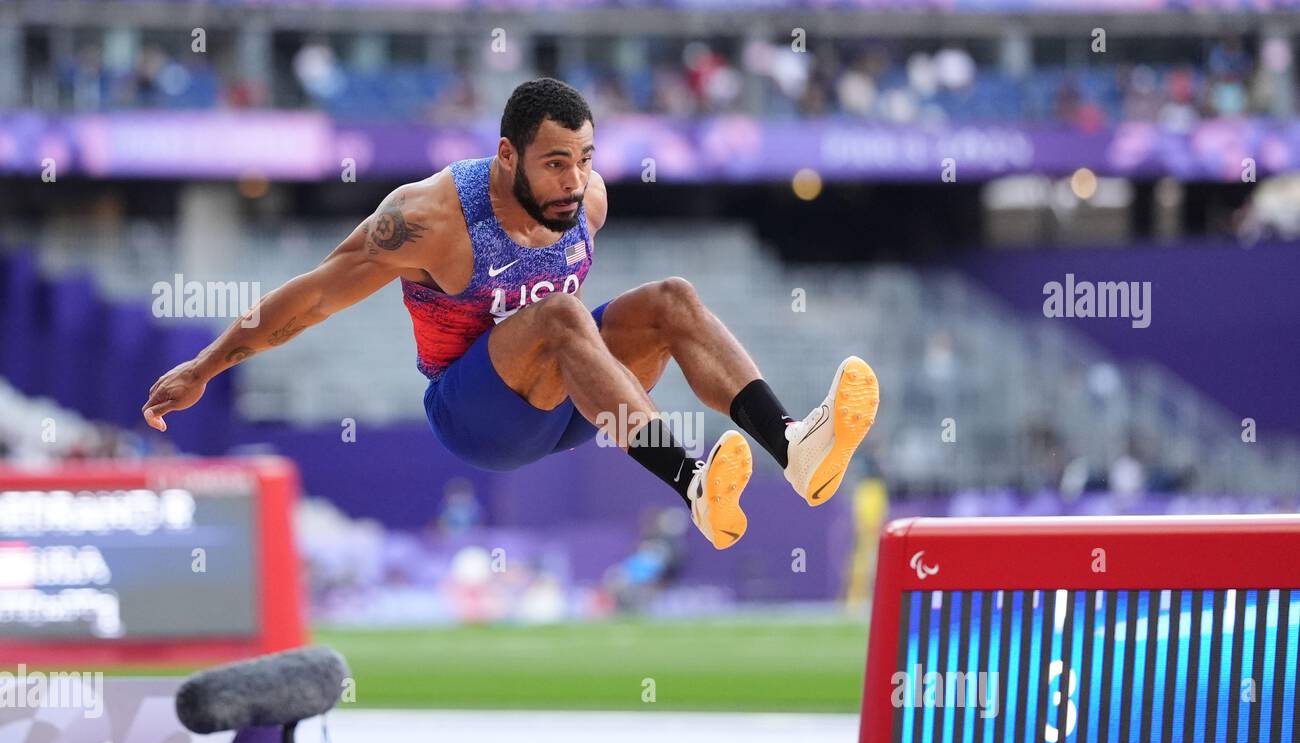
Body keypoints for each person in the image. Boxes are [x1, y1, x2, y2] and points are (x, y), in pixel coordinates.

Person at [142, 77, 879, 550]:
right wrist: (207, 366)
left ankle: (795, 448)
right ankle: (694, 486)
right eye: (555, 162)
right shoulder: (429, 217)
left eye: (585, 158)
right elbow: (310, 298)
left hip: (568, 402)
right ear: (506, 155)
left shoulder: (588, 202)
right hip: (476, 418)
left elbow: (591, 328)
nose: (575, 180)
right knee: (562, 313)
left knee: (672, 300)